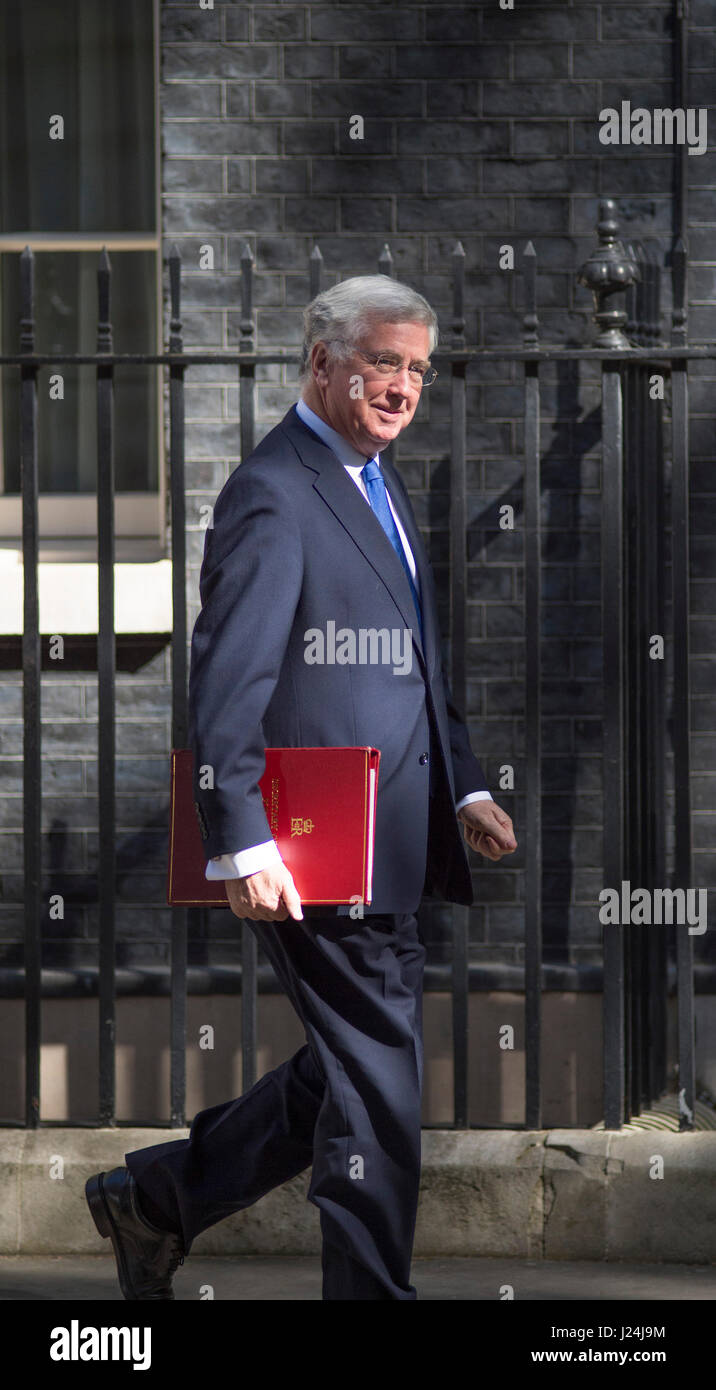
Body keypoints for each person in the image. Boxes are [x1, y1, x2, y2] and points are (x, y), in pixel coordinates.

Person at [85, 275, 517, 1301]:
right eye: (382, 361)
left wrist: (460, 787)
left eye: (416, 366)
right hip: (314, 851)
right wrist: (241, 841)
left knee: (345, 1067)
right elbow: (228, 682)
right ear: (321, 362)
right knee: (379, 1083)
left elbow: (414, 660)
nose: (402, 385)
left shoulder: (379, 481)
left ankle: (157, 1199)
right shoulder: (275, 488)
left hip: (397, 840)